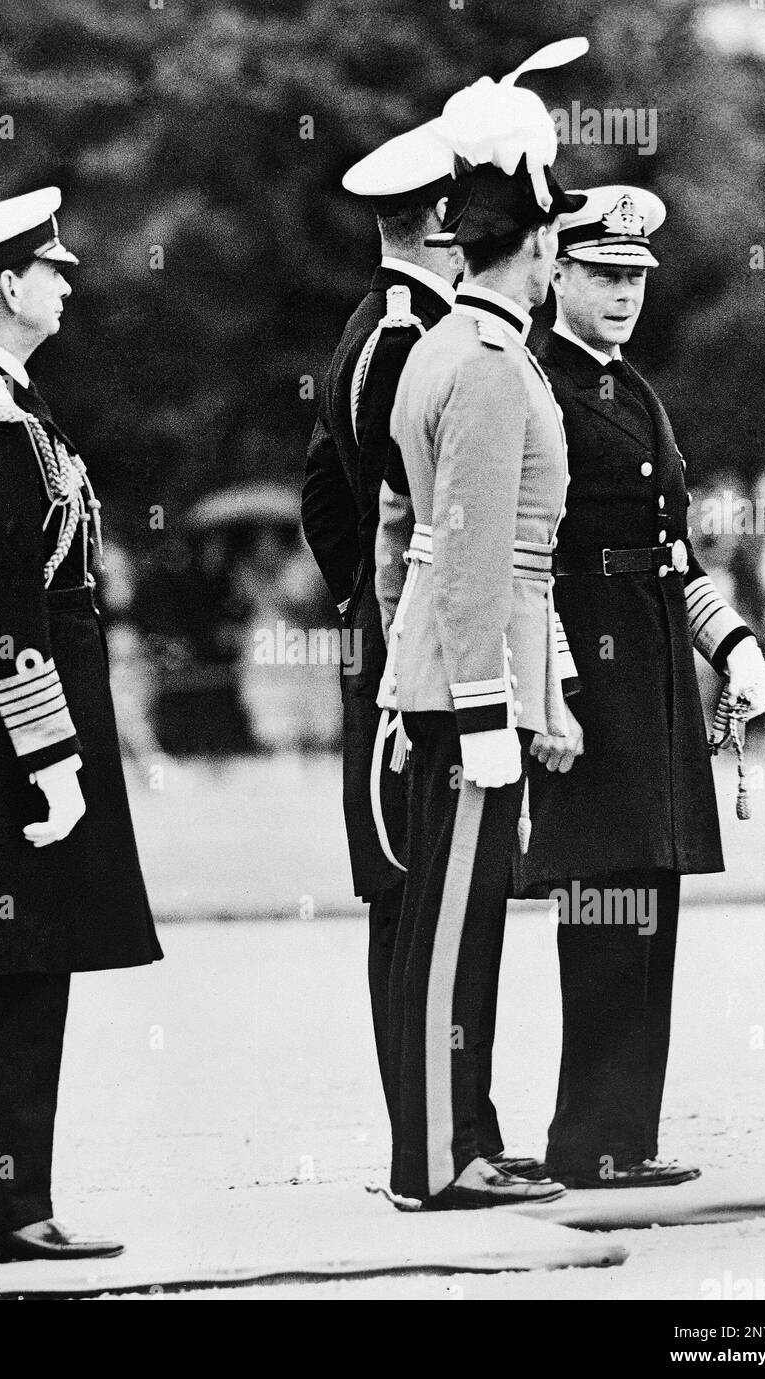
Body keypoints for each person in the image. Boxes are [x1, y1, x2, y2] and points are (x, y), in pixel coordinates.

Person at [0, 188, 163, 1264]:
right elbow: (5, 607)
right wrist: (52, 756)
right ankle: (7, 1209)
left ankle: (1, 1204)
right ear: (8, 286)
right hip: (8, 722)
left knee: (12, 964)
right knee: (17, 967)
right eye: (52, 270)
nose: (66, 283)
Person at [521, 185, 765, 1187]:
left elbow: (672, 553)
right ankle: (583, 1139)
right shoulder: (537, 387)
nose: (624, 294)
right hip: (590, 677)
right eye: (603, 276)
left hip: (658, 671)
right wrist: (554, 688)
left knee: (650, 909)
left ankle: (628, 1133)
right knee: (600, 913)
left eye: (634, 279)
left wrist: (733, 643)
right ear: (557, 275)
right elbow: (523, 555)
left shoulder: (635, 392)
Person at [375, 41, 589, 1209]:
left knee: (442, 928)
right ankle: (437, 1160)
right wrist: (487, 704)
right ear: (540, 249)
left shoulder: (439, 349)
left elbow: (404, 533)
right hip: (470, 675)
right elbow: (468, 555)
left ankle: (444, 1143)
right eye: (556, 244)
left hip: (449, 665)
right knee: (452, 933)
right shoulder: (493, 366)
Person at [300, 112, 457, 1129]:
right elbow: (410, 508)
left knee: (405, 894)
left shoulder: (370, 326)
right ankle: (431, 1133)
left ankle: (426, 1126)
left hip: (383, 629)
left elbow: (323, 498)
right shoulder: (409, 339)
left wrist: (357, 600)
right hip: (414, 641)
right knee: (420, 893)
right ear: (445, 217)